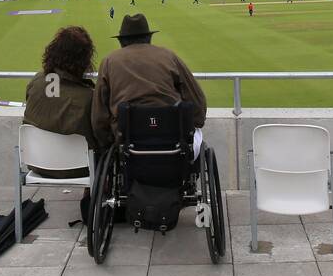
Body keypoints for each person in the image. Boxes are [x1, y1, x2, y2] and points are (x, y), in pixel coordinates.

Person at [92, 14, 207, 148]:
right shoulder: (168, 56)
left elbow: (99, 118)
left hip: (127, 143)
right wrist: (195, 122)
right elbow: (197, 100)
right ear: (149, 38)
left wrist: (107, 142)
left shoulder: (109, 61)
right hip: (173, 139)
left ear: (122, 42)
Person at [23, 26, 99, 177]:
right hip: (79, 167)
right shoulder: (89, 96)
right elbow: (100, 135)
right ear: (84, 59)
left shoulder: (36, 82)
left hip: (36, 163)